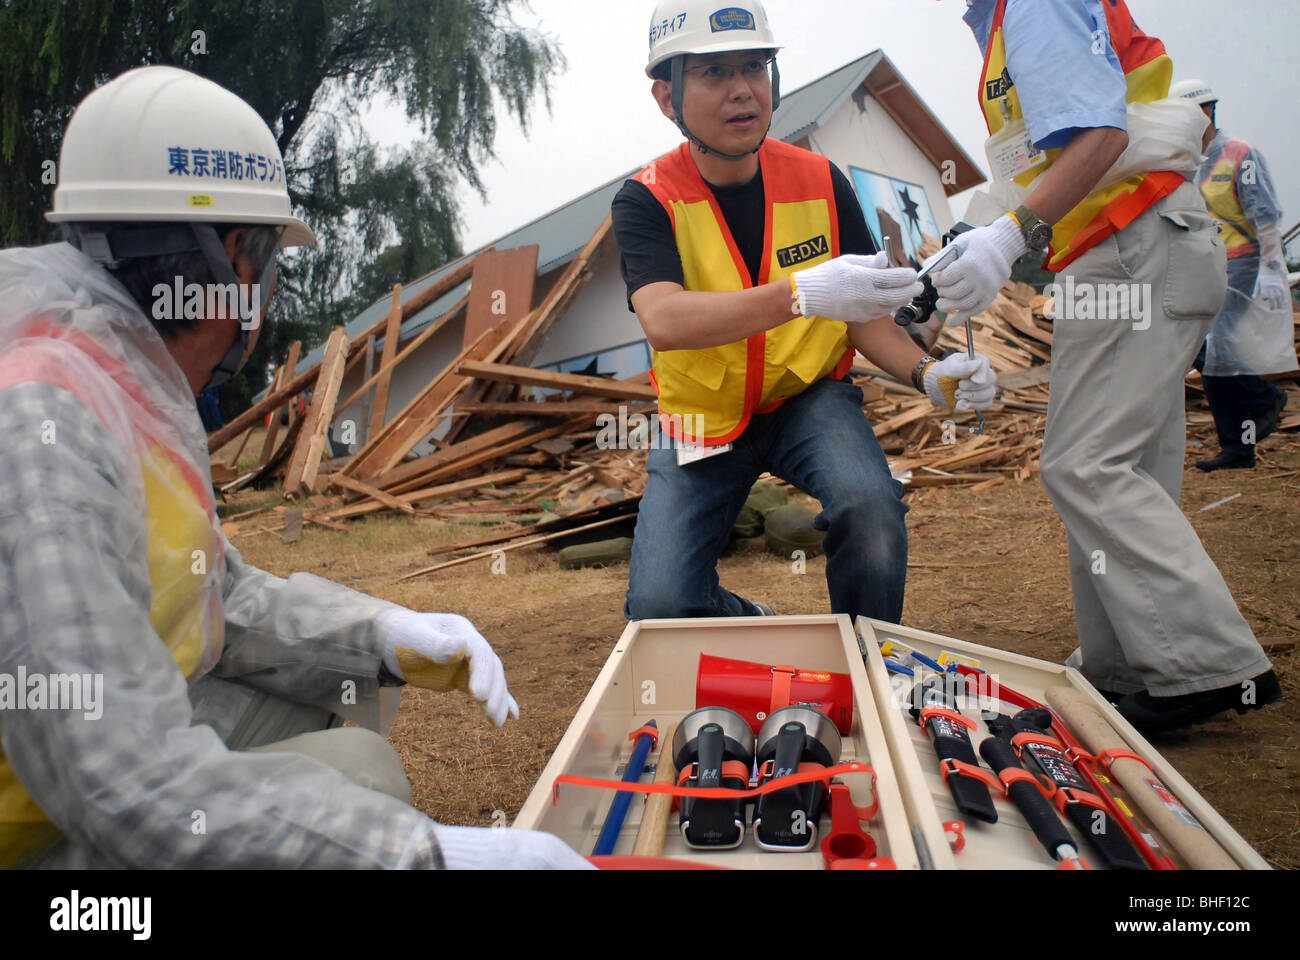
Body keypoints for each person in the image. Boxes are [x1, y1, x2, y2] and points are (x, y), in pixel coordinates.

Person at [0, 66, 589, 869]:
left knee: (331, 722)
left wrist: (383, 635)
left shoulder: (116, 372)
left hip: (68, 769)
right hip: (43, 828)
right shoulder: (45, 423)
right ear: (235, 257)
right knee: (359, 783)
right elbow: (117, 778)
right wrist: (421, 856)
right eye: (271, 260)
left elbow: (216, 594)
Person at [933, 0, 1278, 732]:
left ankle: (1205, 664)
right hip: (1139, 244)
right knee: (1126, 464)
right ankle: (1130, 664)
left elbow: (1100, 135)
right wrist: (979, 232)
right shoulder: (1002, 22)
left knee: (1085, 463)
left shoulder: (1031, 4)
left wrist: (1009, 237)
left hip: (1132, 245)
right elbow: (1055, 150)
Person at [614, 1, 997, 626]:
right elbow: (664, 320)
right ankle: (752, 619)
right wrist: (802, 293)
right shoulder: (646, 200)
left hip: (809, 398)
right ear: (667, 96)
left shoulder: (820, 179)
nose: (742, 91)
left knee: (870, 507)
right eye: (714, 74)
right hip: (703, 417)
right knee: (660, 604)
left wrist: (930, 373)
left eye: (755, 68)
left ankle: (864, 654)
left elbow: (864, 314)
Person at [1171, 79, 1292, 472]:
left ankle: (1264, 400)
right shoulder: (1187, 163)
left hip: (1243, 263)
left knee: (1222, 350)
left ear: (1206, 112)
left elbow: (1265, 214)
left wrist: (1273, 269)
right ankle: (1241, 445)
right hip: (1206, 266)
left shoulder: (1241, 153)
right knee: (1214, 355)